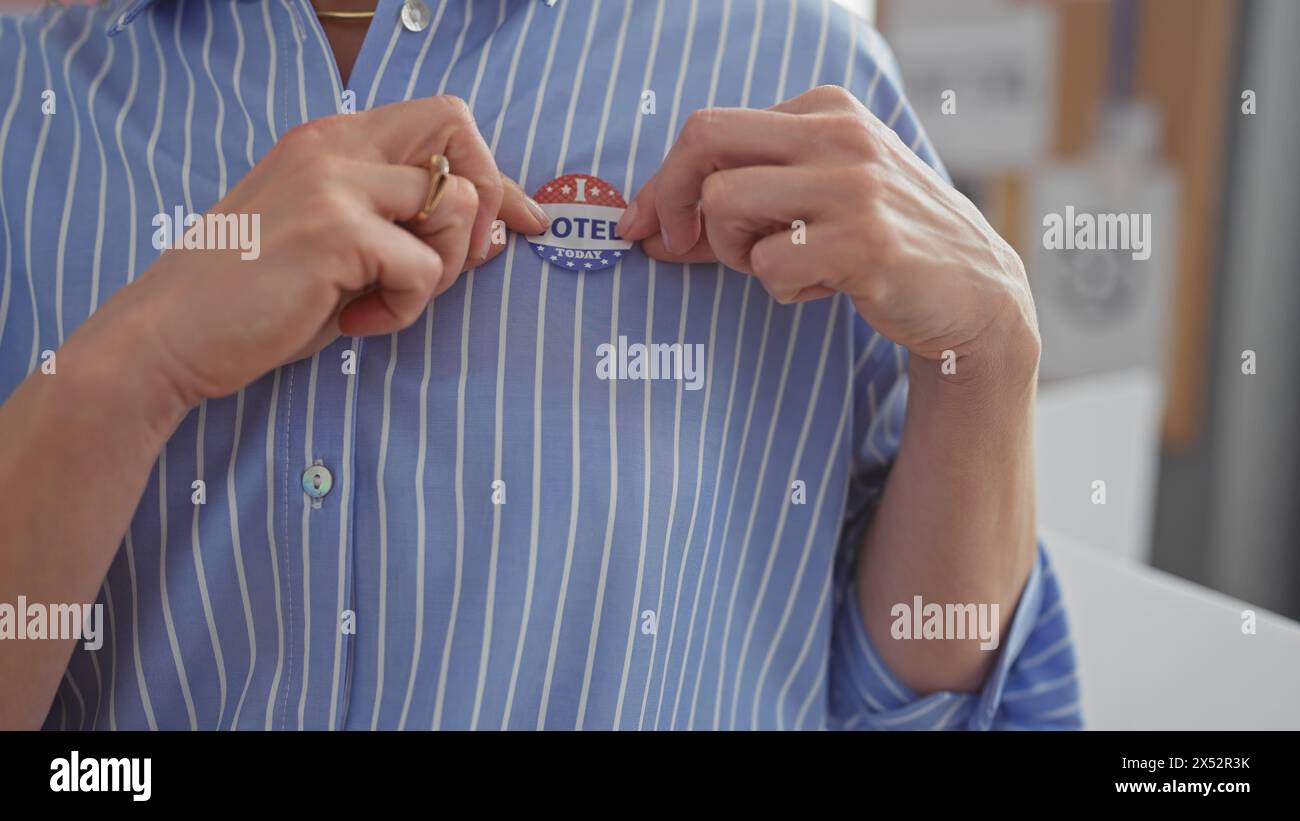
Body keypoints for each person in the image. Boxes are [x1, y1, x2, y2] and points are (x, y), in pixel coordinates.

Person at [0, 0, 1081, 730]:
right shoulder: (24, 99)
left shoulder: (789, 65)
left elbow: (926, 710)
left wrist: (988, 359)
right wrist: (130, 369)